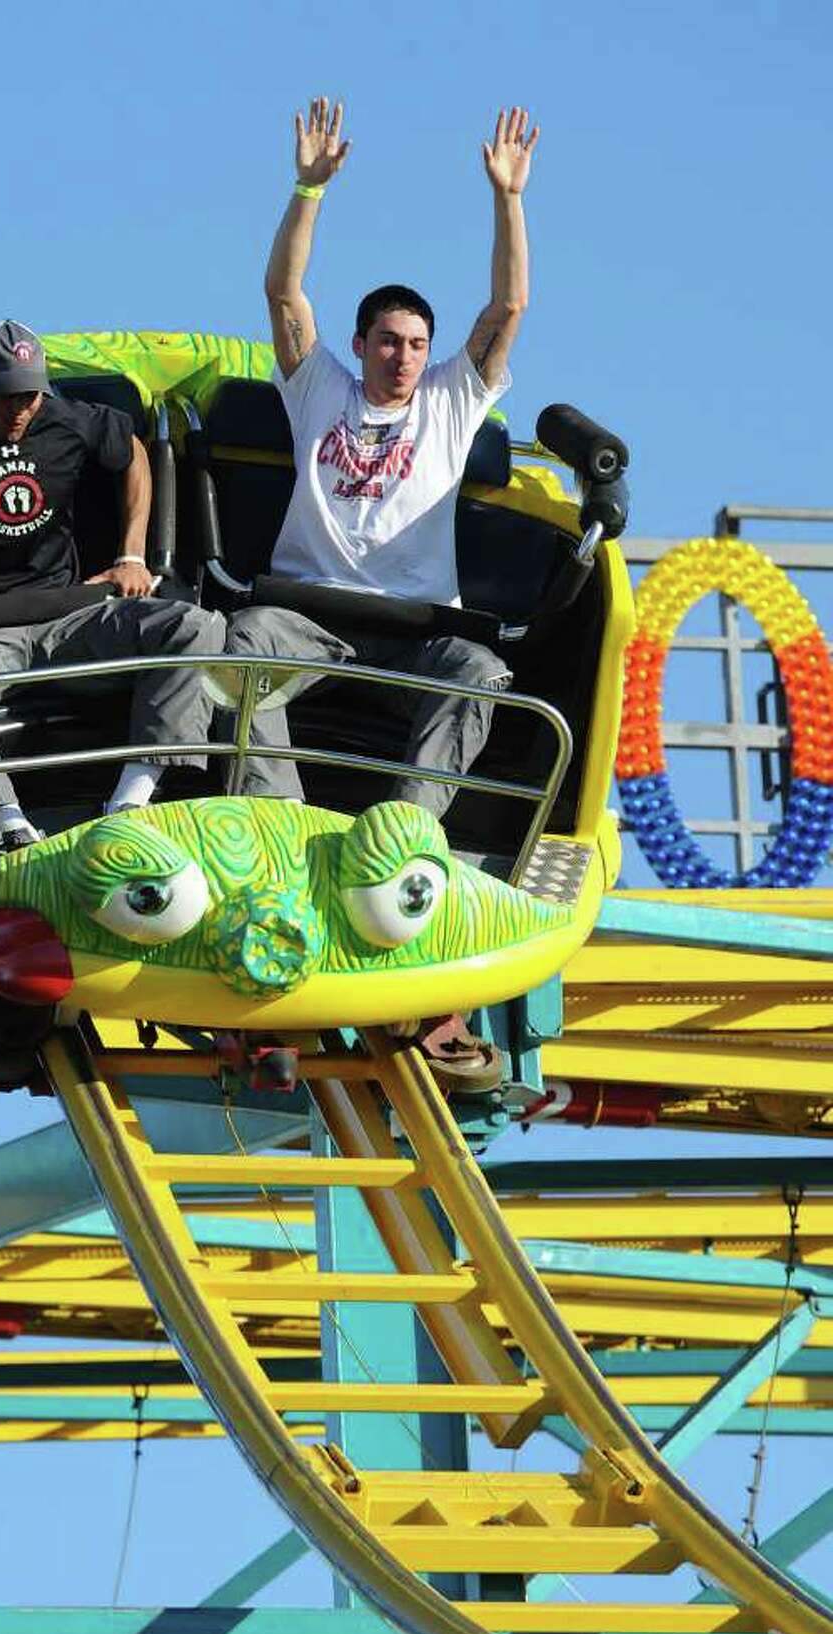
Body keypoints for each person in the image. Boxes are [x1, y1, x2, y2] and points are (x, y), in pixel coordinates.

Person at [225, 100, 540, 1090]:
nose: (402, 355)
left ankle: (399, 862)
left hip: (415, 634)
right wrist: (308, 186)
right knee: (237, 655)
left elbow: (508, 313)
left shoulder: (452, 400)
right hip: (310, 614)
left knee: (481, 673)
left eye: (415, 342)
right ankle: (276, 857)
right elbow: (283, 291)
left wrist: (507, 200)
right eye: (388, 340)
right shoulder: (318, 387)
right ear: (359, 346)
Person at [0, 320, 223, 849]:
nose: (21, 409)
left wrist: (131, 555)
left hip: (69, 615)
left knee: (194, 627)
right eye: (8, 396)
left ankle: (131, 802)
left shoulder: (68, 420)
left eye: (31, 395)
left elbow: (132, 454)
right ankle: (7, 823)